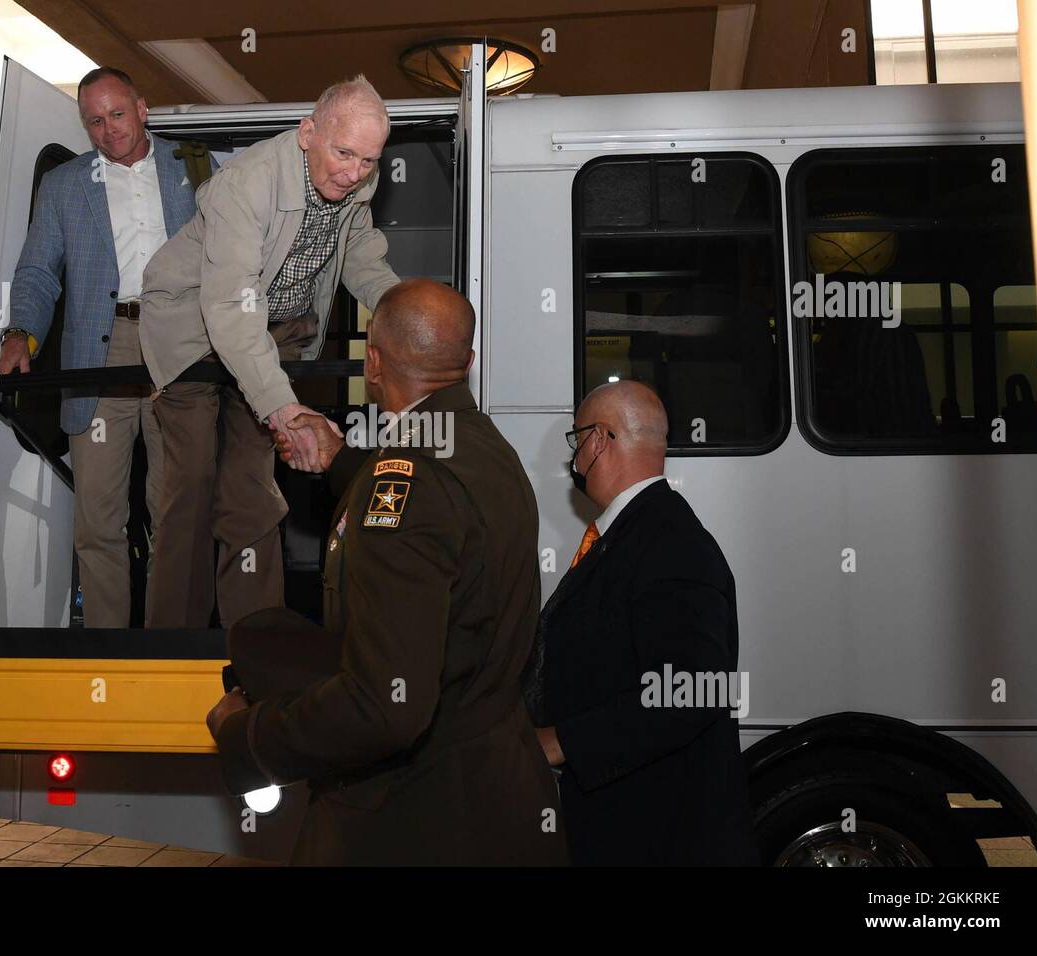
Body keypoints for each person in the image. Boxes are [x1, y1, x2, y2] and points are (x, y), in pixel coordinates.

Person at [205, 279, 566, 866]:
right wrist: (339, 460)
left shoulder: (406, 480)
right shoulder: (489, 451)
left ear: (373, 363)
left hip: (412, 818)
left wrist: (247, 738)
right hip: (497, 794)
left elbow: (385, 709)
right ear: (467, 362)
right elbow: (438, 520)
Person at [138, 76, 401, 629]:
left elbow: (362, 258)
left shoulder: (356, 186)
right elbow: (231, 309)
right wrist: (285, 410)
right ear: (308, 133)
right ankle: (171, 649)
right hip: (193, 331)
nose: (354, 172)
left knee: (253, 496)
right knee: (190, 489)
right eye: (344, 152)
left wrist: (412, 316)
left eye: (369, 160)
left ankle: (257, 645)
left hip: (270, 334)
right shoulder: (245, 184)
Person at [523, 381, 758, 865]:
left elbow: (690, 690)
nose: (575, 456)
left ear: (598, 439)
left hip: (658, 835)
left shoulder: (670, 544)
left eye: (575, 440)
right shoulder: (641, 533)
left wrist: (559, 742)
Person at [0, 67, 198, 628]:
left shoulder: (196, 169)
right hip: (97, 352)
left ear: (142, 108)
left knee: (174, 513)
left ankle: (167, 648)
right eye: (94, 121)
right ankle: (106, 651)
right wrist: (19, 333)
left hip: (178, 348)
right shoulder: (63, 186)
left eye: (118, 114)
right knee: (97, 520)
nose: (109, 131)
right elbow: (38, 271)